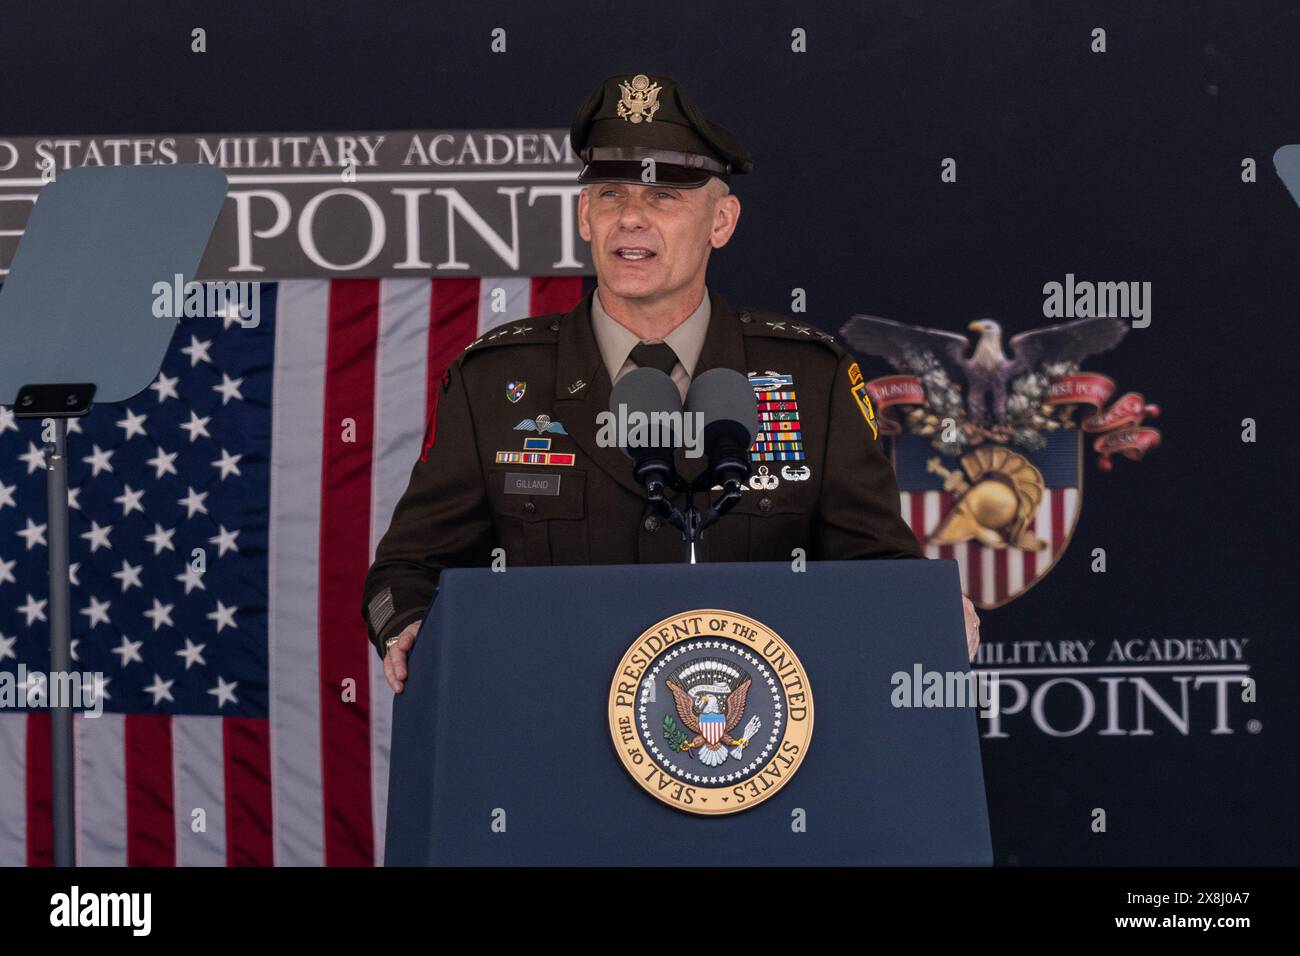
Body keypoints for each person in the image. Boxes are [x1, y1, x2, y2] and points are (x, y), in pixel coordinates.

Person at [363, 72, 980, 693]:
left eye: (664, 198)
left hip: (750, 751)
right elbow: (407, 569)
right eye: (609, 196)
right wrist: (408, 623)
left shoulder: (810, 378)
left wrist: (919, 609)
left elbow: (876, 564)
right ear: (584, 215)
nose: (630, 217)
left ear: (721, 221)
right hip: (548, 743)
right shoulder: (496, 381)